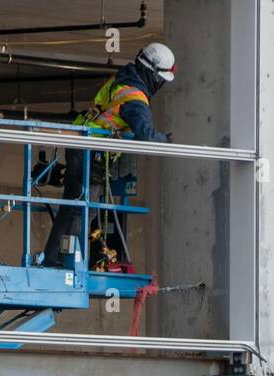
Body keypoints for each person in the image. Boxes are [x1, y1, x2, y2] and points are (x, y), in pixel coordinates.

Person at [42, 42, 176, 269]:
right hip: (92, 153)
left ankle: (54, 257)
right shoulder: (135, 98)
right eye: (161, 78)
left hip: (80, 144)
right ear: (153, 73)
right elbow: (146, 135)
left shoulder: (121, 80)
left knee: (73, 205)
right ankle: (66, 260)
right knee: (83, 209)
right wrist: (167, 141)